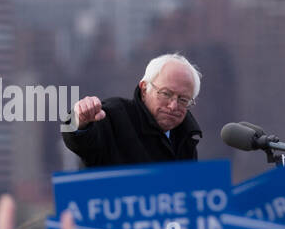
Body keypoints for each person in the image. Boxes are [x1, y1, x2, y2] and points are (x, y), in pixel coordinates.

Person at [61, 53, 204, 168]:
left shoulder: (186, 137)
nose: (173, 106)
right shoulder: (115, 116)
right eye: (166, 94)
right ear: (144, 89)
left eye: (183, 100)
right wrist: (79, 119)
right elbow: (79, 140)